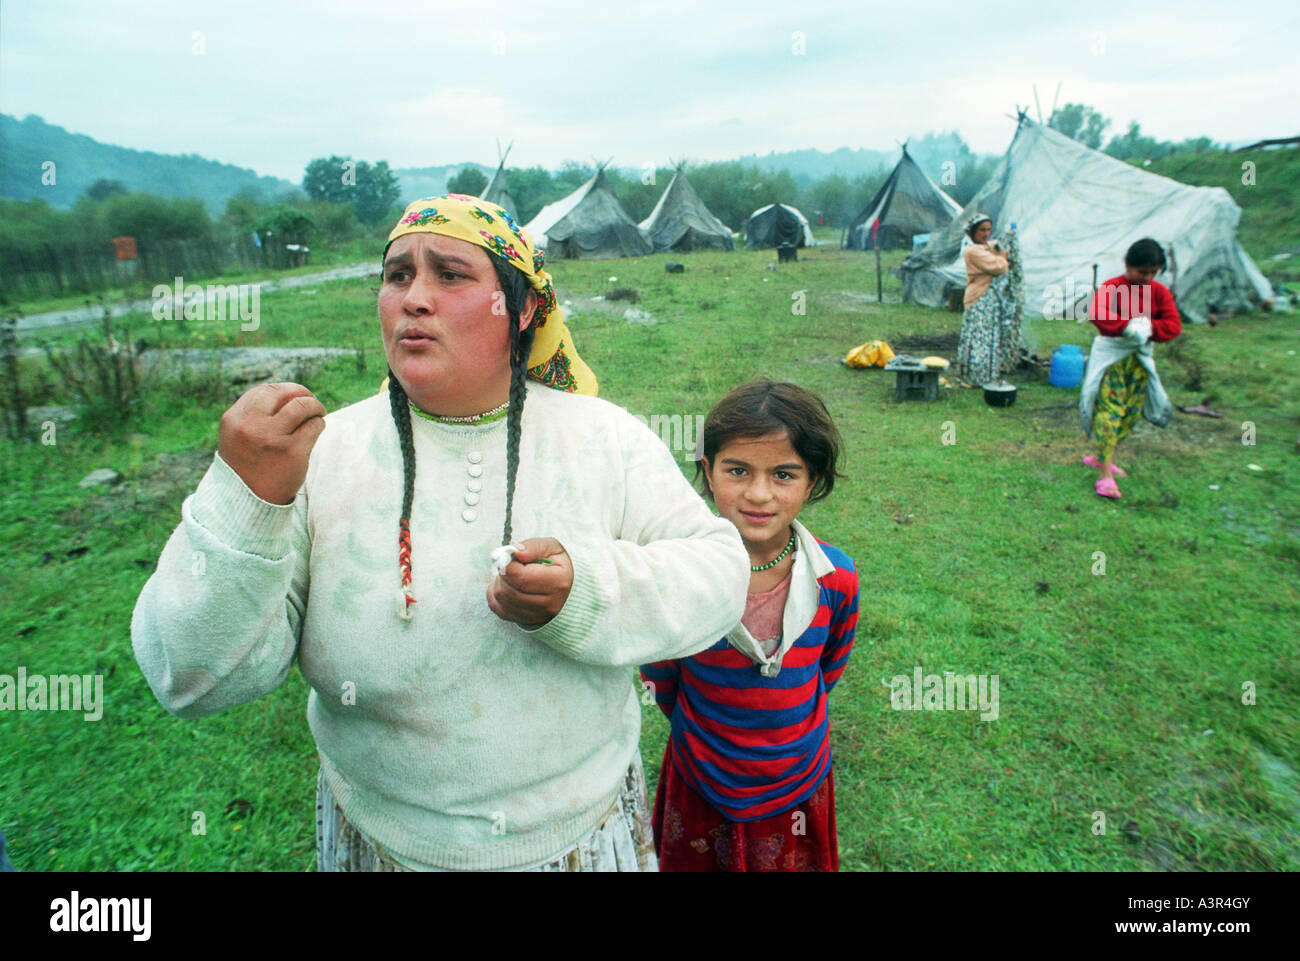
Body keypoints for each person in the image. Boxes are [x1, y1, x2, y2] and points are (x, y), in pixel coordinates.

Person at [131, 193, 750, 872]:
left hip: (574, 840)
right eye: (397, 275)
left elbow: (718, 574)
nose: (413, 298)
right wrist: (243, 500)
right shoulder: (317, 454)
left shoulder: (604, 439)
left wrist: (588, 591)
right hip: (382, 842)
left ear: (522, 309)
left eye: (450, 274)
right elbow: (187, 677)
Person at [640, 381, 859, 871]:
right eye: (738, 470)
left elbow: (826, 671)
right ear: (708, 472)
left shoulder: (835, 580)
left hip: (798, 782)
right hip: (702, 781)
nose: (759, 494)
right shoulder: (680, 578)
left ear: (813, 481)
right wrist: (712, 742)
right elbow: (661, 678)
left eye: (784, 474)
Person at [1079, 238, 1182, 499]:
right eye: (1141, 272)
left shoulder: (1158, 292)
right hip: (1112, 360)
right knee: (1109, 412)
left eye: (1152, 273)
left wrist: (1150, 328)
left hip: (1138, 362)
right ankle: (1105, 474)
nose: (1146, 278)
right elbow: (1098, 313)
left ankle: (1101, 456)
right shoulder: (1113, 288)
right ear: (1128, 265)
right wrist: (1125, 326)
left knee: (1130, 413)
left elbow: (1173, 325)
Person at [956, 214, 1021, 386]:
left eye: (988, 230)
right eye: (982, 230)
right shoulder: (972, 251)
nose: (986, 234)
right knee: (979, 339)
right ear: (973, 231)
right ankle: (976, 377)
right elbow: (999, 267)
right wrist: (1002, 256)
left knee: (988, 337)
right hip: (979, 297)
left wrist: (1004, 242)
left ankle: (985, 375)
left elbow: (993, 246)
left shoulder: (983, 247)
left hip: (988, 299)